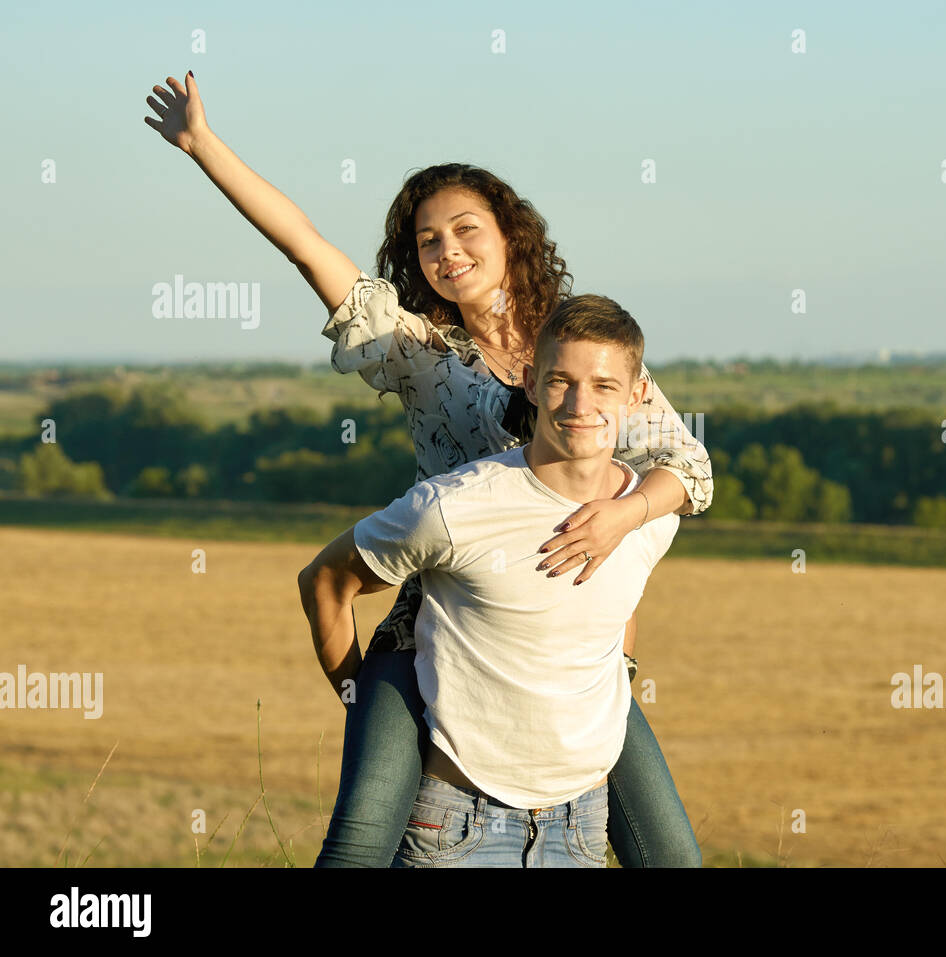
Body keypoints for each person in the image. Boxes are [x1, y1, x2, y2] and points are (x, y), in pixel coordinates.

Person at [144, 72, 712, 866]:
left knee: (673, 856)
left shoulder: (580, 352)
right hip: (439, 638)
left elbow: (688, 465)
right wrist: (204, 145)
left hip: (576, 653)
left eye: (467, 228)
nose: (449, 251)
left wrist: (623, 514)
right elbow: (307, 247)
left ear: (511, 234)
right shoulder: (420, 355)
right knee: (359, 845)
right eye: (428, 241)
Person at [300, 296, 677, 866]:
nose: (580, 404)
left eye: (603, 385)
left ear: (637, 396)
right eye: (560, 381)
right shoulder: (454, 507)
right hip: (455, 828)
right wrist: (363, 704)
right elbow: (325, 582)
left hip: (581, 826)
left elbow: (611, 610)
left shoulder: (652, 518)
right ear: (529, 382)